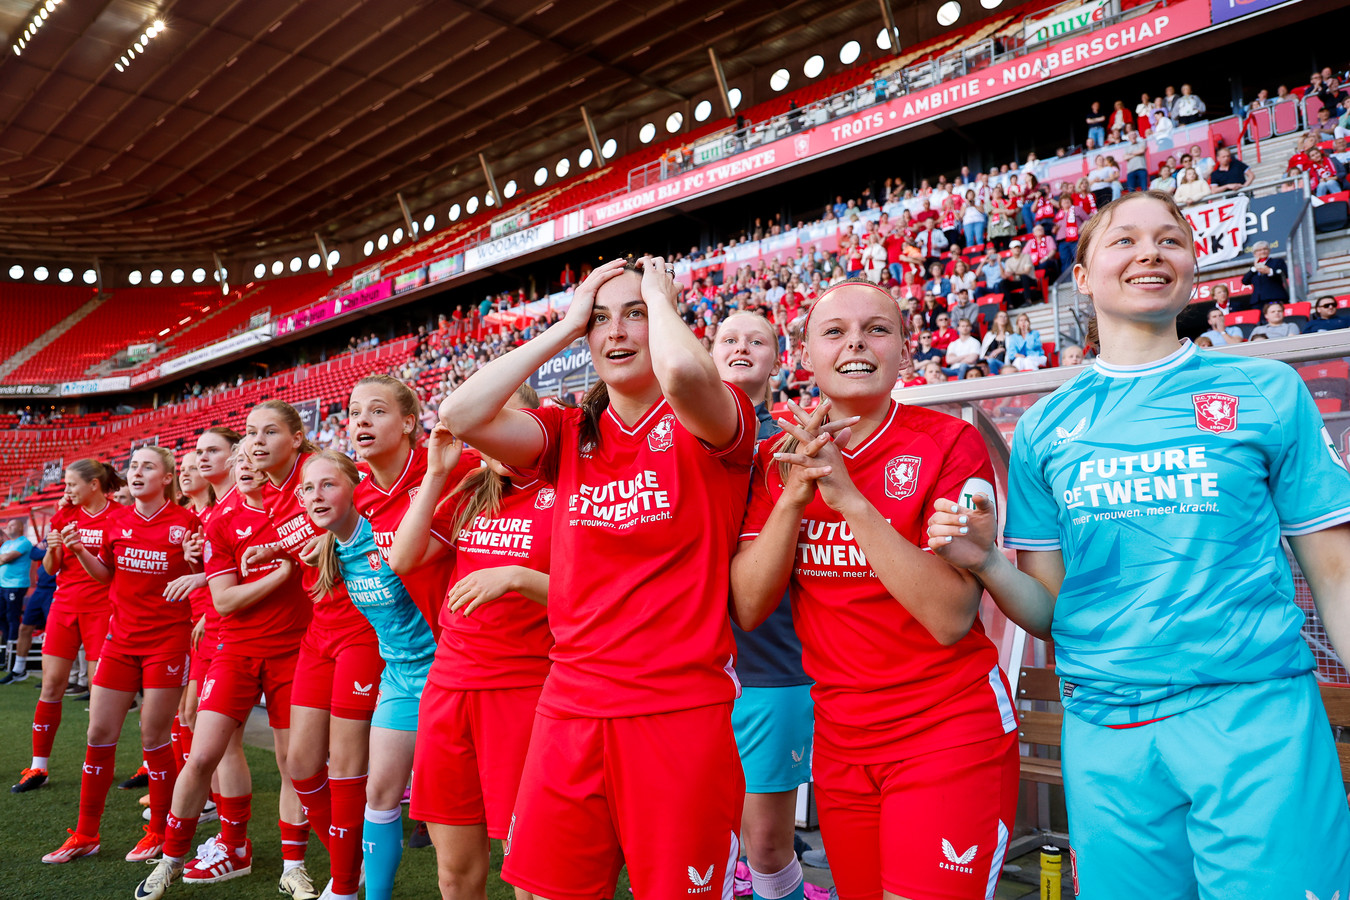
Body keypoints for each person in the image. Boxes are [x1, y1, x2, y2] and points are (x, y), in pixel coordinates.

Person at [928, 189, 1350, 900]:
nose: (1150, 252)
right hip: (1108, 732)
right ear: (1084, 277)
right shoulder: (1043, 428)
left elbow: (1334, 573)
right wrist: (988, 564)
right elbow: (1048, 611)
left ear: (1192, 269)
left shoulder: (1264, 389)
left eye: (1170, 239)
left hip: (1255, 718)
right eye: (1124, 240)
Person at [441, 256, 754, 900]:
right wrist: (564, 326)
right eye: (602, 321)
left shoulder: (713, 417)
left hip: (677, 708)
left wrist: (661, 299)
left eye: (634, 315)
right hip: (570, 704)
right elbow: (462, 413)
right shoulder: (566, 431)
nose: (616, 333)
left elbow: (686, 370)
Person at [732, 279, 1018, 900]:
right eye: (834, 332)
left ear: (905, 353)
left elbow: (950, 616)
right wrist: (793, 500)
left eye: (876, 329)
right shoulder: (776, 459)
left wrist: (848, 498)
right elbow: (750, 608)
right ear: (806, 354)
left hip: (947, 726)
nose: (855, 343)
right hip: (840, 735)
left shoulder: (950, 443)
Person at [391, 386, 552, 900]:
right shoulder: (469, 489)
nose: (490, 439)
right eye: (480, 428)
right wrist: (437, 472)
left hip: (527, 689)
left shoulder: (569, 489)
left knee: (530, 871)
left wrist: (519, 578)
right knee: (455, 875)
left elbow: (602, 594)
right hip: (449, 688)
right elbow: (402, 559)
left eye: (501, 423)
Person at [134, 449, 315, 900]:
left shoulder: (299, 502)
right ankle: (172, 859)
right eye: (242, 453)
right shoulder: (220, 520)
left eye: (261, 445)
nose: (250, 459)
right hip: (234, 650)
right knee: (201, 756)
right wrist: (283, 573)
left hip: (294, 653)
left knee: (293, 764)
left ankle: (294, 867)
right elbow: (226, 602)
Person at [243, 400, 383, 900]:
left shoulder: (335, 475)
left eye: (269, 432)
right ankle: (357, 858)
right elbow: (304, 534)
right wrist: (274, 549)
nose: (256, 442)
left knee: (346, 765)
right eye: (251, 433)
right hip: (318, 637)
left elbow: (360, 524)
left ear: (298, 437)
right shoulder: (280, 494)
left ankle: (344, 882)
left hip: (362, 634)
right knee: (301, 765)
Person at [42, 447, 201, 865]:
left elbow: (207, 572)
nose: (137, 472)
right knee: (98, 734)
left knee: (153, 736)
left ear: (167, 478)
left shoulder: (187, 523)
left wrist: (195, 563)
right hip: (120, 640)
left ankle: (159, 832)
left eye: (148, 466)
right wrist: (80, 552)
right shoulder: (116, 520)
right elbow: (107, 575)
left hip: (167, 641)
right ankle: (85, 833)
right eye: (133, 466)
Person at [707, 312, 814, 900]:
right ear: (709, 353)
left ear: (778, 358)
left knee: (766, 844)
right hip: (690, 671)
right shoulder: (676, 442)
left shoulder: (791, 443)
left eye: (757, 340)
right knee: (703, 840)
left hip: (772, 666)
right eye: (729, 339)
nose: (743, 346)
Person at [300, 451, 437, 900]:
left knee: (457, 808)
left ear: (356, 487)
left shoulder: (387, 532)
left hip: (443, 671)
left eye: (328, 485)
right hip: (398, 678)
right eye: (307, 489)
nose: (316, 496)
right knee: (379, 793)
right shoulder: (332, 550)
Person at [12, 460, 122, 794]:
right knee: (51, 686)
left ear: (93, 485)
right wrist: (55, 547)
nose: (66, 492)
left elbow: (116, 570)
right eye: (64, 486)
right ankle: (38, 767)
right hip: (64, 606)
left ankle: (98, 767)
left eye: (71, 485)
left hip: (102, 609)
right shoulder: (63, 515)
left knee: (98, 693)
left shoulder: (119, 517)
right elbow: (50, 567)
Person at [4, 536, 57, 685]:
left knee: (52, 632)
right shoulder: (53, 533)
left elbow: (60, 554)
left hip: (55, 588)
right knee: (25, 627)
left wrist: (46, 549)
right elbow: (34, 553)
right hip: (40, 589)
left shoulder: (69, 531)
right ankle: (19, 669)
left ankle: (50, 674)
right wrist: (49, 550)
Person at [0, 518, 34, 679]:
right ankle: (6, 648)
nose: (9, 527)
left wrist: (4, 558)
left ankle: (13, 654)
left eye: (13, 524)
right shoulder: (6, 545)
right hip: (2, 585)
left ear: (21, 528)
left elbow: (6, 558)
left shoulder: (24, 542)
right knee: (2, 617)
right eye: (8, 525)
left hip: (16, 585)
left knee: (12, 618)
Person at [981, 309, 1013, 374]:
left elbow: (1012, 351)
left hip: (1004, 363)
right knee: (990, 361)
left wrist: (1002, 349)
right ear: (995, 320)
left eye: (1005, 316)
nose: (1003, 318)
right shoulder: (989, 335)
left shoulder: (1011, 335)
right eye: (1000, 316)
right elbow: (983, 350)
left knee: (992, 361)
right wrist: (985, 357)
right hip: (988, 360)